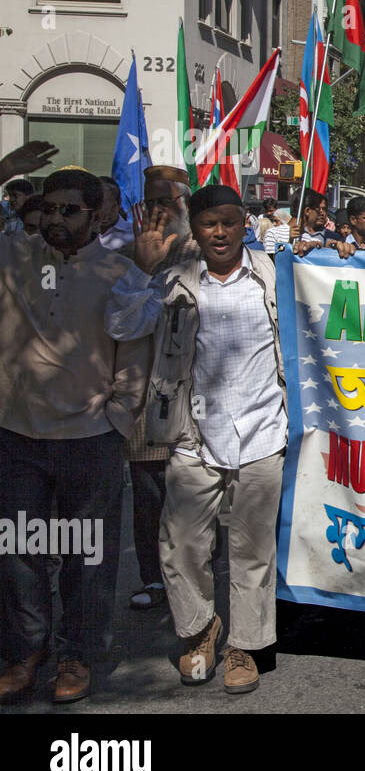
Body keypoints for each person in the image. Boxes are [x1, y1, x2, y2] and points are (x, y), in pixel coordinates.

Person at [105, 185, 338, 696]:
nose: (219, 232)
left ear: (243, 225)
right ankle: (199, 629)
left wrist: (336, 253)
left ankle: (244, 646)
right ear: (196, 227)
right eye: (209, 223)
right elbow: (122, 323)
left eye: (229, 222)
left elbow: (334, 304)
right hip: (193, 439)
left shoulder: (273, 277)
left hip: (263, 435)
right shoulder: (173, 282)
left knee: (252, 551)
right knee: (181, 545)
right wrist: (141, 270)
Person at [0, 155, 150, 705]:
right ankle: (24, 653)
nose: (56, 219)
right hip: (16, 437)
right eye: (49, 208)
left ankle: (76, 656)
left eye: (70, 210)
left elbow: (135, 358)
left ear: (96, 217)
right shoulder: (13, 256)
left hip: (89, 443)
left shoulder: (121, 275)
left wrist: (115, 420)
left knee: (86, 560)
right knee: (18, 555)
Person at [123, 166, 202, 612]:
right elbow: (120, 321)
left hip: (196, 398)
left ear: (183, 205)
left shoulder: (205, 251)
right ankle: (153, 579)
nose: (158, 211)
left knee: (196, 497)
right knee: (149, 495)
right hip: (143, 398)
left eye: (167, 202)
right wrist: (141, 267)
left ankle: (196, 575)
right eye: (150, 202)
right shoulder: (126, 253)